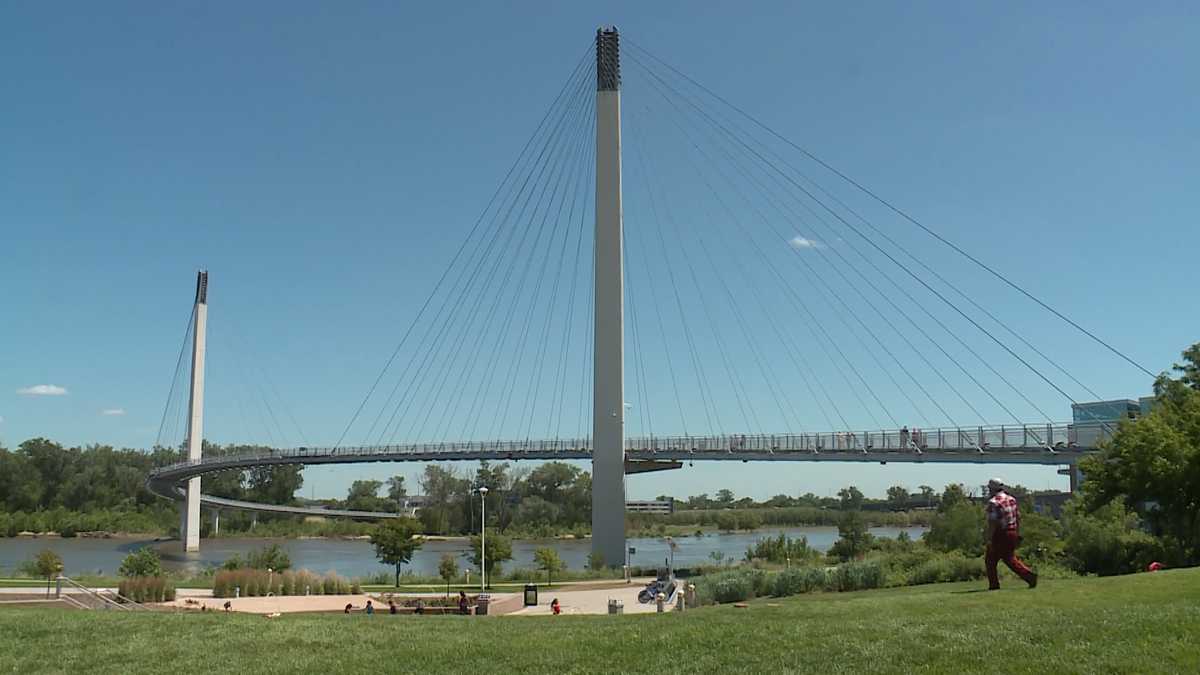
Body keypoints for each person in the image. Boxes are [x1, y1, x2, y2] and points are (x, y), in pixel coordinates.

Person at [984, 478, 1038, 590]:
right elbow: (1018, 516)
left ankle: (994, 585)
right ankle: (1028, 576)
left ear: (992, 489)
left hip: (1000, 534)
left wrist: (989, 538)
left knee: (991, 559)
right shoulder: (1012, 499)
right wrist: (1017, 532)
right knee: (1009, 558)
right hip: (1012, 531)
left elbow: (992, 522)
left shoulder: (993, 502)